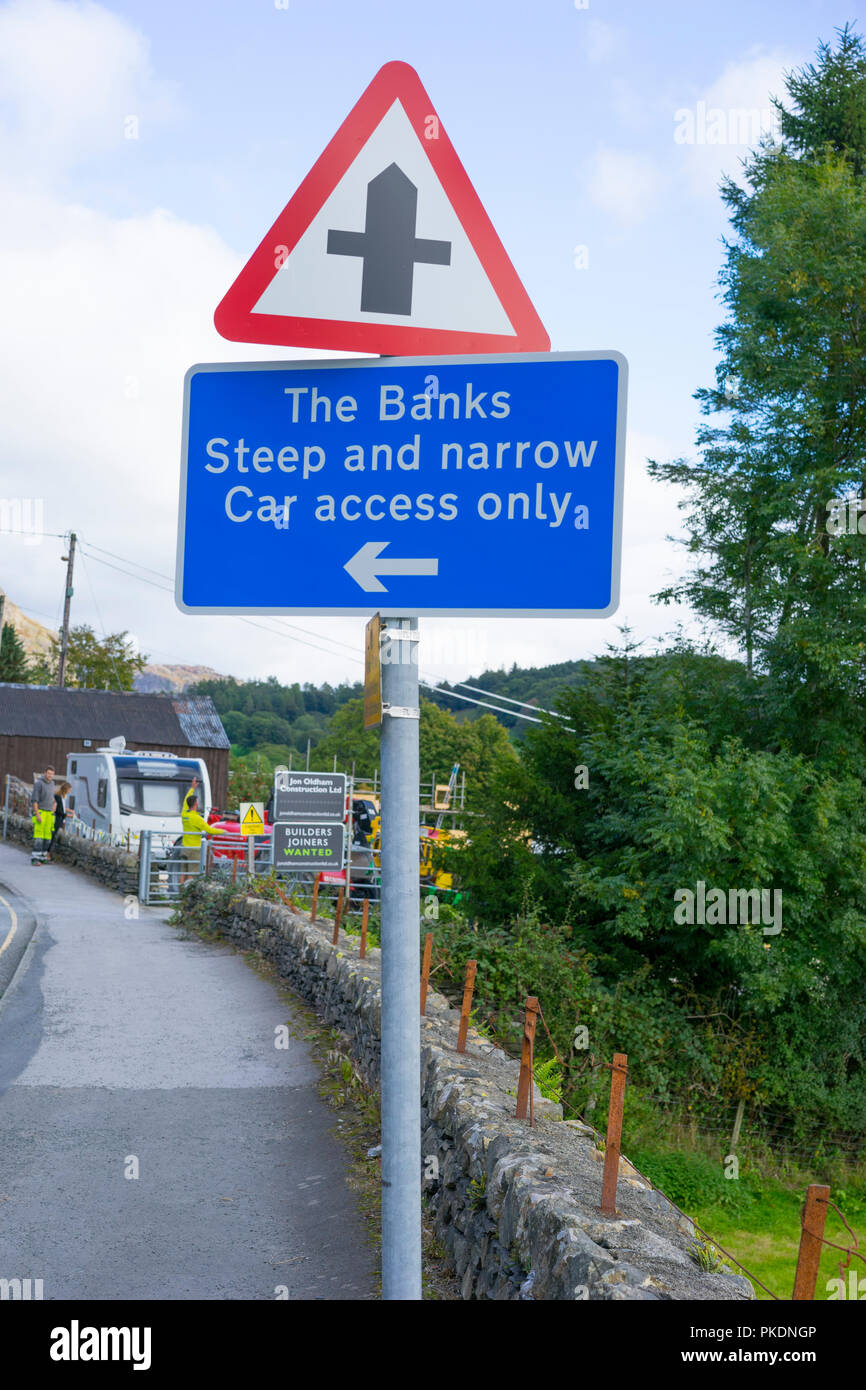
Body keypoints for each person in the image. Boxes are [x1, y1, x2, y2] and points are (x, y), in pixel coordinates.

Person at [180, 792, 224, 884]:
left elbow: (185, 802)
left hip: (184, 848)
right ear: (196, 804)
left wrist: (192, 789)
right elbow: (210, 830)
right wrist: (224, 831)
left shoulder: (184, 815)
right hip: (194, 849)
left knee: (182, 873)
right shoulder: (197, 818)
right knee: (191, 875)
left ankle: (179, 895)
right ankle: (187, 895)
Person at [31, 765, 56, 866]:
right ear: (45, 773)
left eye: (52, 774)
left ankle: (43, 857)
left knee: (47, 838)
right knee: (39, 837)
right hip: (40, 812)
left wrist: (54, 804)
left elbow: (52, 797)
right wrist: (37, 814)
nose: (50, 776)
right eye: (49, 773)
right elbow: (34, 800)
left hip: (49, 814)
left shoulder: (52, 784)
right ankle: (35, 859)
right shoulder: (39, 784)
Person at [47, 780, 70, 861]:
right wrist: (67, 815)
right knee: (52, 836)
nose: (69, 791)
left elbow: (62, 808)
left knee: (54, 837)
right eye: (69, 789)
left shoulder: (63, 797)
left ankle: (49, 853)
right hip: (56, 819)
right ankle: (47, 854)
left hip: (60, 819)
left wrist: (68, 811)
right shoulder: (57, 796)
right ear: (65, 789)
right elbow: (58, 810)